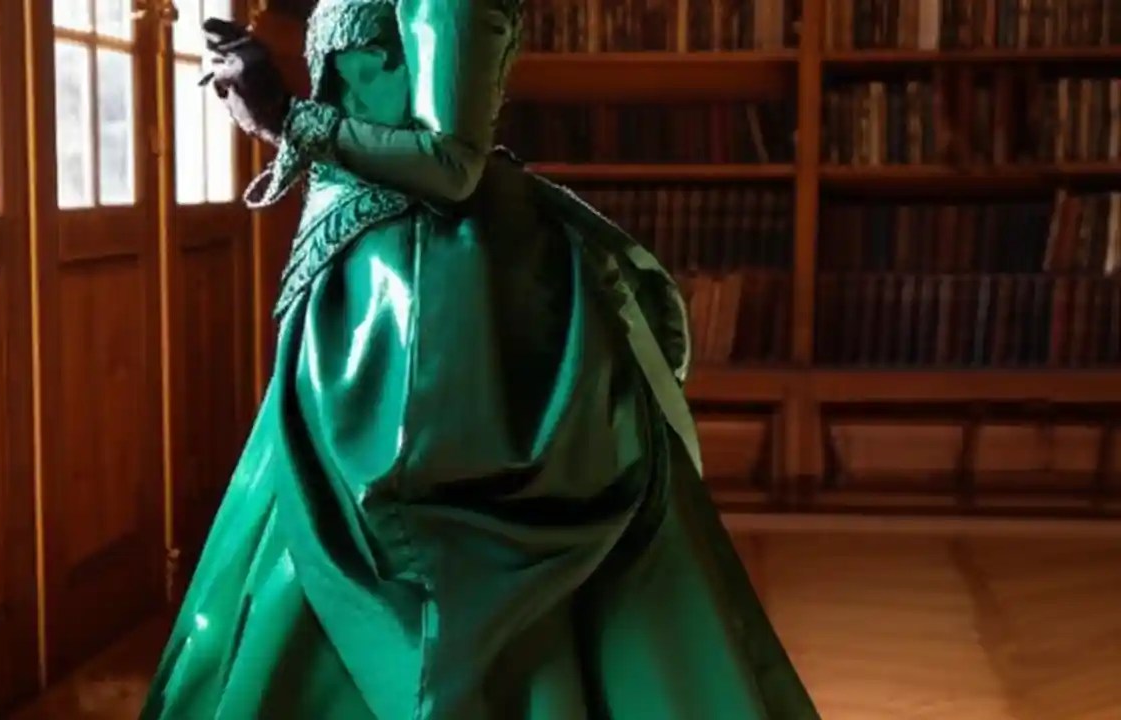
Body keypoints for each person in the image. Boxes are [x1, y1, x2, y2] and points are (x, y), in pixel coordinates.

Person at [142, 1, 819, 718]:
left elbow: (451, 165)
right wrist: (272, 92)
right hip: (368, 297)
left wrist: (289, 118)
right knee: (313, 537)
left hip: (428, 312)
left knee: (421, 559)